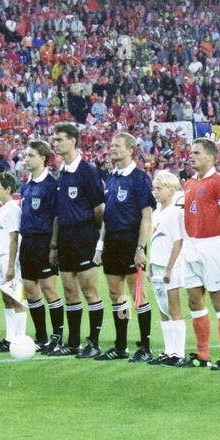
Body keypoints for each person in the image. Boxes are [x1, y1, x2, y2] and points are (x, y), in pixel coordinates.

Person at [94, 132, 155, 361]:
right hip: (111, 242)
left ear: (131, 150)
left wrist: (140, 247)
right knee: (115, 294)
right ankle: (120, 347)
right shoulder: (111, 178)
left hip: (131, 241)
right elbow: (107, 218)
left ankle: (145, 346)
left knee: (137, 294)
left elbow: (146, 217)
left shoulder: (139, 178)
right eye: (111, 145)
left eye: (117, 145)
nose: (112, 148)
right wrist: (100, 246)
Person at [181, 137, 220, 370]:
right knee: (194, 300)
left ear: (210, 157)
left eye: (196, 152)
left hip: (213, 244)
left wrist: (218, 240)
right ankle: (202, 354)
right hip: (191, 244)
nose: (191, 156)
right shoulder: (189, 183)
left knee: (219, 300)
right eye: (191, 152)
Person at [50, 123, 107, 358]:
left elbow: (99, 209)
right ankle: (73, 343)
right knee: (70, 291)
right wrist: (54, 244)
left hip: (84, 236)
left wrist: (90, 233)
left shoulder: (87, 171)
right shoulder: (62, 172)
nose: (56, 143)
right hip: (65, 238)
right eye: (55, 140)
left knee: (90, 290)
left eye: (60, 139)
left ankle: (93, 342)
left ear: (73, 141)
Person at [18, 140, 64, 353]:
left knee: (48, 289)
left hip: (44, 241)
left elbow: (56, 216)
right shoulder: (26, 185)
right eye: (26, 155)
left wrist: (53, 245)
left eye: (31, 155)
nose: (26, 159)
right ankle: (42, 337)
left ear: (43, 158)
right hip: (27, 241)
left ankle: (57, 337)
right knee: (30, 290)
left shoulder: (51, 184)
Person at [147, 170, 188, 366]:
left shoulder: (174, 213)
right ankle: (168, 350)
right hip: (156, 266)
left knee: (174, 309)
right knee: (163, 310)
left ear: (171, 191)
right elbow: (154, 241)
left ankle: (178, 353)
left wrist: (170, 268)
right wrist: (149, 265)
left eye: (159, 188)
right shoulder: (156, 213)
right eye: (154, 188)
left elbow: (178, 242)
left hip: (169, 267)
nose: (155, 191)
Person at [0, 172, 28, 345]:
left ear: (8, 189)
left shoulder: (13, 209)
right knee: (6, 296)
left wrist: (11, 265)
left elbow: (14, 238)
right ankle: (10, 337)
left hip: (9, 258)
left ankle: (20, 337)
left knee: (16, 297)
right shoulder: (0, 207)